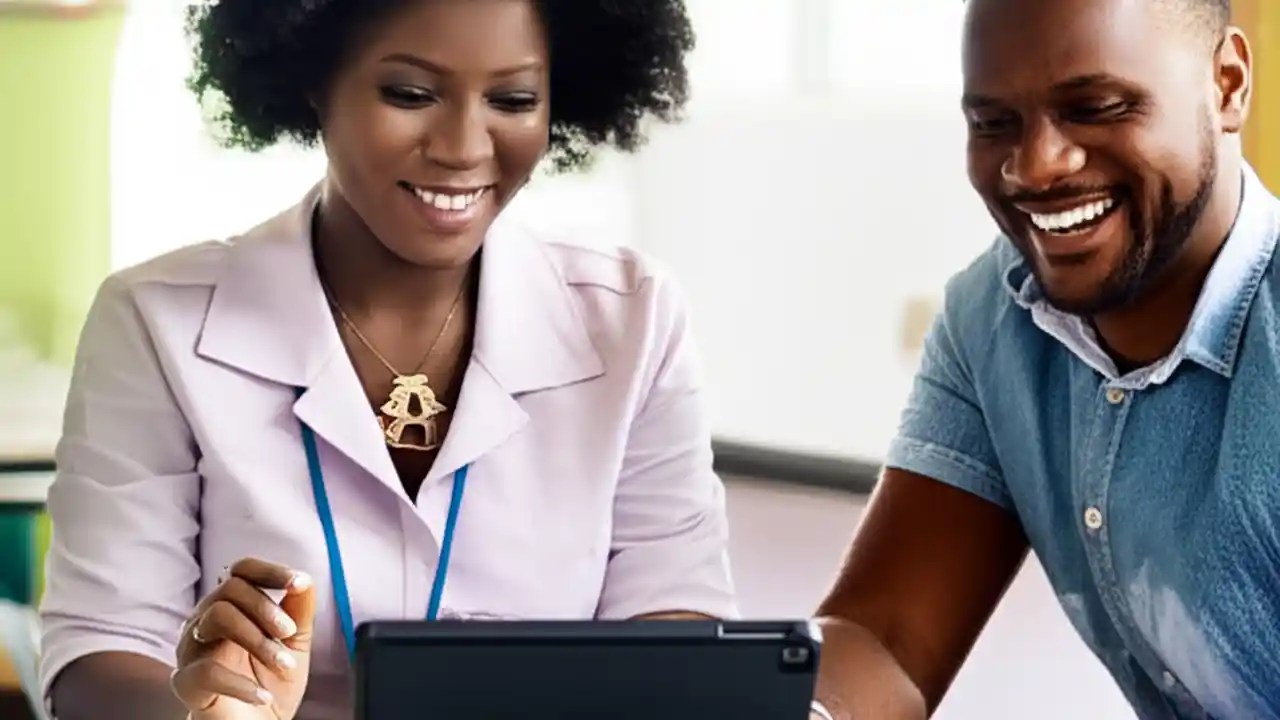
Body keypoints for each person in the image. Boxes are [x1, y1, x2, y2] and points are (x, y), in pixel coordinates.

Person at [38, 1, 736, 718]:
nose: (463, 147)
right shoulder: (158, 320)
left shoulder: (634, 320)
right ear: (315, 79)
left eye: (513, 100)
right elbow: (102, 651)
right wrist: (205, 715)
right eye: (410, 93)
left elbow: (676, 617)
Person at [808, 0, 1280, 718]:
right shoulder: (991, 318)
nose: (1034, 167)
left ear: (1227, 84)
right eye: (993, 123)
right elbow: (889, 639)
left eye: (1096, 108)